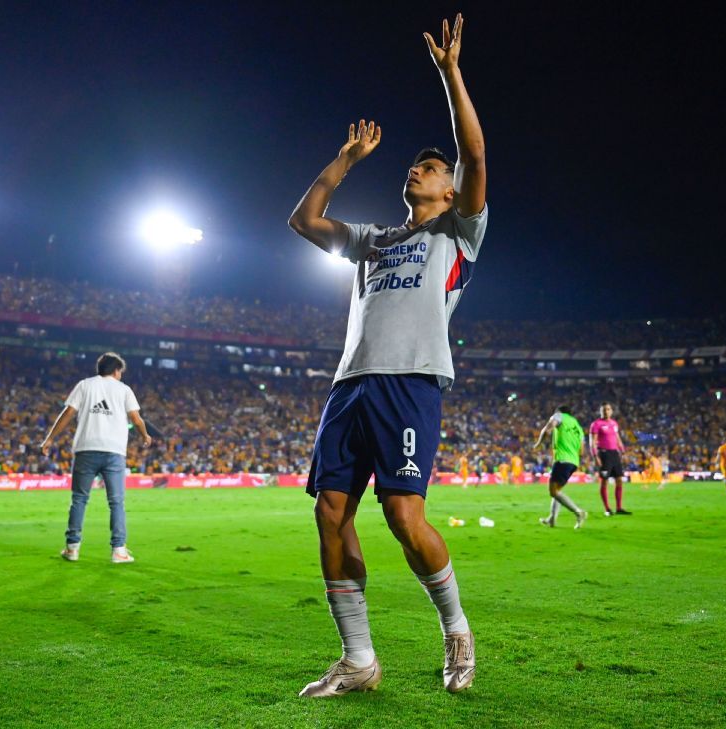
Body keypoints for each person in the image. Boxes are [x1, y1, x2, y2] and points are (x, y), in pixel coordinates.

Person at [286, 12, 485, 697]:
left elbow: (477, 158)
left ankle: (456, 628)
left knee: (404, 515)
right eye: (416, 163)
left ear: (449, 191)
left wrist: (450, 73)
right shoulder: (373, 239)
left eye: (430, 167)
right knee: (329, 512)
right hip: (351, 384)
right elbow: (304, 221)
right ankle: (359, 657)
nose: (418, 168)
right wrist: (344, 161)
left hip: (411, 381)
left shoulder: (458, 234)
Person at [39, 352, 152, 563]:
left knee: (79, 500)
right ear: (117, 370)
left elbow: (68, 414)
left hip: (86, 449)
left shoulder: (85, 385)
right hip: (114, 451)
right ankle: (119, 550)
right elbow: (136, 419)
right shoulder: (124, 389)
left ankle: (72, 548)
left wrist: (49, 439)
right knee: (116, 502)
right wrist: (145, 435)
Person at [533, 405, 589, 529]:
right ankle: (552, 519)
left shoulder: (559, 416)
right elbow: (582, 450)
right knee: (557, 491)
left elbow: (547, 429)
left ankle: (578, 512)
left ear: (559, 412)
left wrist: (538, 443)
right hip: (574, 461)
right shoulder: (577, 426)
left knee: (553, 491)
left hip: (562, 459)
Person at [590, 403, 630, 516]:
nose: (606, 411)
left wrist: (623, 452)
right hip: (604, 454)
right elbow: (592, 442)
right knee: (604, 481)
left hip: (614, 454)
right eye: (603, 410)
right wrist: (595, 456)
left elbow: (617, 438)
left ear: (611, 411)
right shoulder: (596, 424)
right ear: (600, 411)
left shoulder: (614, 423)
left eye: (608, 409)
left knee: (619, 481)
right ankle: (607, 509)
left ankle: (619, 508)